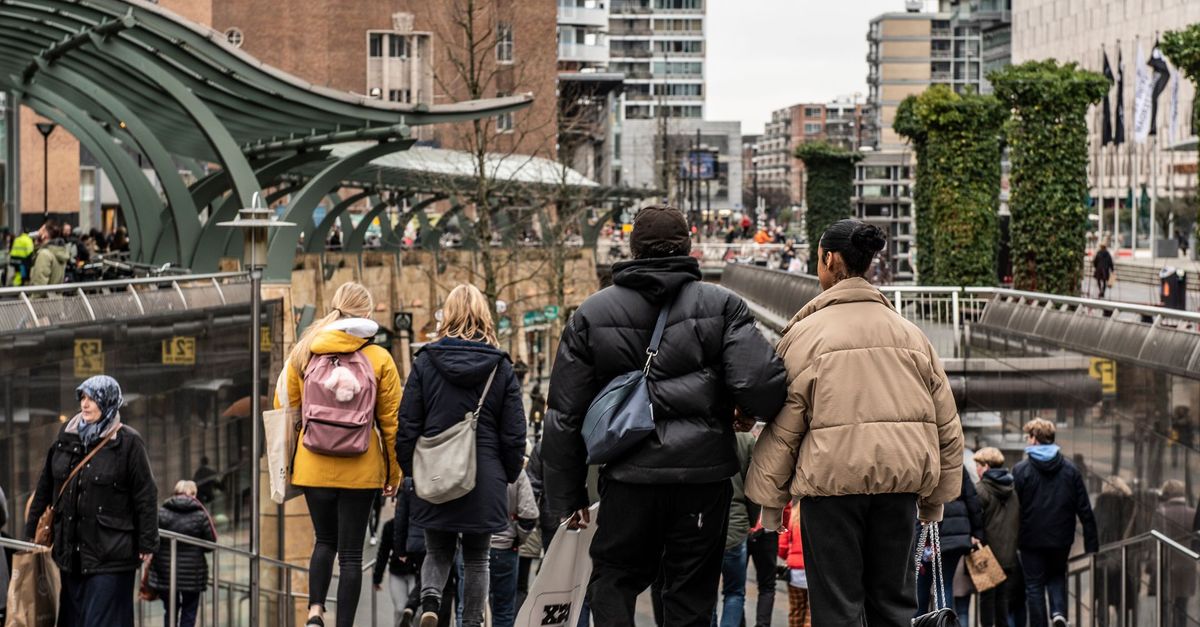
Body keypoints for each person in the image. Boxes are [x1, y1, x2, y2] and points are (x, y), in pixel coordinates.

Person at [543, 205, 787, 626]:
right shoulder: (723, 305)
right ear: (688, 246)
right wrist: (743, 410)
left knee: (614, 580)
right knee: (690, 593)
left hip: (628, 478)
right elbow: (763, 385)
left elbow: (564, 413)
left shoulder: (591, 314)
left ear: (633, 248)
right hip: (703, 479)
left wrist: (568, 496)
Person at [745, 219, 964, 627]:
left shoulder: (805, 336)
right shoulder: (911, 335)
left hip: (829, 492)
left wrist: (771, 503)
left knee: (838, 609)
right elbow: (945, 425)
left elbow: (786, 427)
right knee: (894, 606)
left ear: (830, 259)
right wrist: (935, 499)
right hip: (899, 490)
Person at [396, 284, 527, 627]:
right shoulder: (501, 366)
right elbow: (514, 433)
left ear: (446, 315)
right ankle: (470, 622)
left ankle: (429, 601)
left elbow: (407, 422)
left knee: (438, 549)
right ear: (484, 315)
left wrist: (411, 471)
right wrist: (508, 474)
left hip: (436, 471)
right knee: (478, 557)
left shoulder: (424, 361)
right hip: (483, 475)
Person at [278, 282, 403, 627]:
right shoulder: (379, 359)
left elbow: (283, 407)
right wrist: (394, 475)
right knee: (350, 554)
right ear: (366, 314)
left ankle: (315, 611)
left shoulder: (304, 353)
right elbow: (391, 423)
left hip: (312, 465)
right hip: (361, 469)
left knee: (324, 541)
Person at [25, 375, 159, 627]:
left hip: (111, 554)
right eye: (83, 398)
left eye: (92, 399)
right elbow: (44, 488)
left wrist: (147, 542)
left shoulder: (129, 442)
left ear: (108, 402)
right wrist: (30, 532)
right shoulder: (66, 437)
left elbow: (146, 495)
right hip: (71, 557)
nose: (85, 404)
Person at [1013, 418, 1099, 627]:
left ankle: (1039, 624)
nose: (1027, 440)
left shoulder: (1021, 470)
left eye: (1028, 436)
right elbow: (1085, 508)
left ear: (1034, 439)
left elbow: (1014, 509)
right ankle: (1059, 613)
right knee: (1057, 575)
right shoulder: (1070, 470)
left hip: (1030, 539)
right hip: (1061, 538)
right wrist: (1091, 544)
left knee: (1033, 585)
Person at [916, 467, 984, 617]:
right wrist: (977, 532)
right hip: (957, 536)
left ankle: (919, 620)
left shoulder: (925, 460)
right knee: (944, 584)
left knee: (922, 584)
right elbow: (972, 499)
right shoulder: (957, 465)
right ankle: (943, 622)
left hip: (930, 534)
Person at [148, 480, 217, 627]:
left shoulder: (162, 512)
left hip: (165, 572)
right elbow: (210, 544)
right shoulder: (200, 515)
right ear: (193, 494)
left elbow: (153, 539)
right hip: (192, 573)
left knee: (170, 612)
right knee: (189, 612)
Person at [712, 431, 757, 627]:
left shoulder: (707, 431)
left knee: (705, 592)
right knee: (735, 592)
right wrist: (752, 520)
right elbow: (753, 486)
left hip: (706, 524)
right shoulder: (746, 439)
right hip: (737, 525)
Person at [973, 447, 1020, 627]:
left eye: (978, 465)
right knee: (1002, 600)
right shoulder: (1012, 489)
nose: (976, 470)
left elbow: (977, 522)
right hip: (1008, 553)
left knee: (986, 600)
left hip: (985, 552)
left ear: (986, 467)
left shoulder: (981, 490)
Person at [489, 470, 539, 627]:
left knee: (469, 610)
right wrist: (518, 538)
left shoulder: (473, 463)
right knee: (503, 610)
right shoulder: (515, 470)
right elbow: (529, 515)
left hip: (472, 546)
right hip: (504, 546)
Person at [1153, 480, 1196, 627]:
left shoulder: (1160, 513)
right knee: (1182, 608)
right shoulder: (1193, 513)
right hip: (1187, 566)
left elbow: (1153, 542)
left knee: (1165, 607)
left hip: (1166, 565)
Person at [1094, 476, 1134, 627]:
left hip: (1100, 560)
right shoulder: (1127, 505)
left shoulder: (1099, 506)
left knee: (1102, 598)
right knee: (1121, 599)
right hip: (1121, 559)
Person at [375, 516, 419, 627]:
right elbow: (383, 552)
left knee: (416, 612)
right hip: (397, 572)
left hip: (416, 572)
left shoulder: (418, 523)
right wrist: (377, 577)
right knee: (400, 609)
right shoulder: (390, 526)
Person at [779, 502, 810, 627]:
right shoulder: (816, 518)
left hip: (795, 571)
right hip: (812, 570)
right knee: (811, 611)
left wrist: (789, 557)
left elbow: (782, 546)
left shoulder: (792, 515)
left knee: (796, 610)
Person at [30, 219, 69, 286]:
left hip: (44, 296)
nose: (38, 233)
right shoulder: (58, 252)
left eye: (41, 230)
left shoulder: (44, 254)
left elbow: (39, 285)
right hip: (56, 296)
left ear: (45, 235)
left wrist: (34, 296)